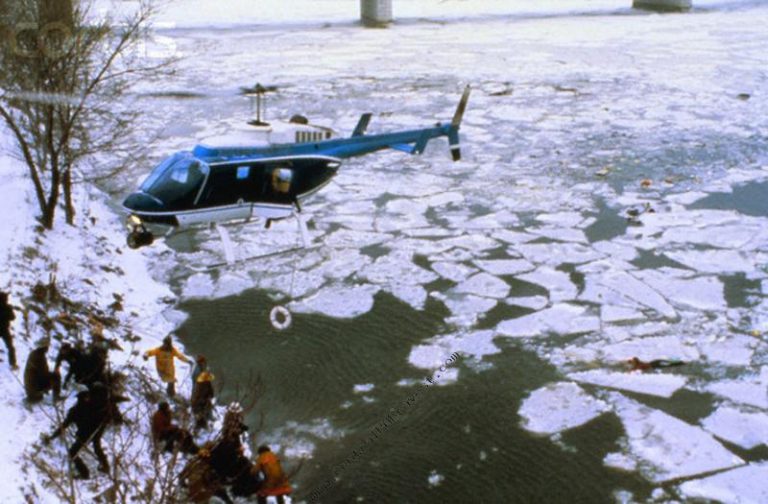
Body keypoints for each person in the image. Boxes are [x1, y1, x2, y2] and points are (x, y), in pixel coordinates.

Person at [43, 383, 128, 479]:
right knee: (95, 445)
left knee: (73, 452)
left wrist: (52, 437)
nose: (89, 398)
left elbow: (64, 426)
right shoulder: (86, 407)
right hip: (94, 429)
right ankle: (104, 467)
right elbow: (112, 400)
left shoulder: (78, 409)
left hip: (90, 431)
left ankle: (85, 474)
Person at [191, 360, 215, 429]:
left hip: (206, 399)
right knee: (201, 413)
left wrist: (210, 396)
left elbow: (210, 390)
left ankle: (208, 418)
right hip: (200, 402)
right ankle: (200, 425)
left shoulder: (207, 382)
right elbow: (195, 397)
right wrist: (199, 402)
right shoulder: (198, 386)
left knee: (208, 409)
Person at [0, 291, 17, 369]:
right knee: (10, 347)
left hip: (4, 329)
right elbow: (13, 317)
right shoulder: (7, 307)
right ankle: (13, 364)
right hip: (5, 330)